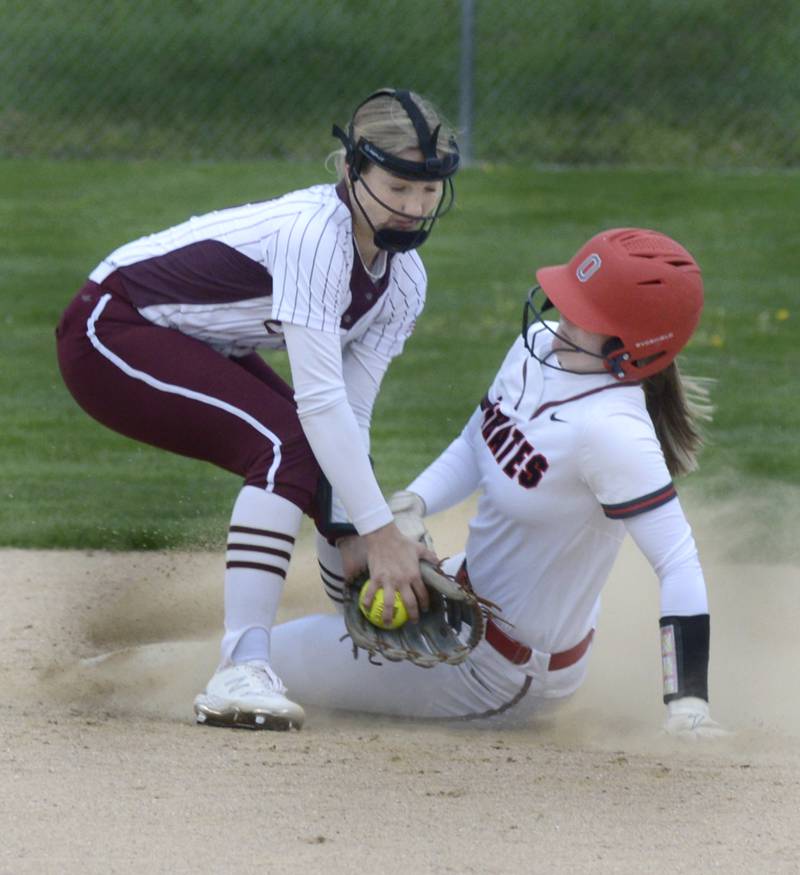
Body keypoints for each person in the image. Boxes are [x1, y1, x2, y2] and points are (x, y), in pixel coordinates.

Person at [55, 88, 459, 731]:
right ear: (353, 170)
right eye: (399, 185)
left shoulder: (404, 282)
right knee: (285, 446)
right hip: (110, 328)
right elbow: (319, 402)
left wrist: (362, 535)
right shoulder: (314, 239)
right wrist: (380, 532)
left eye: (429, 189)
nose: (414, 207)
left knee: (321, 461)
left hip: (188, 338)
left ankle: (352, 634)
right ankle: (239, 669)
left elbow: (350, 416)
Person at [269, 227, 727, 738]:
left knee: (265, 658)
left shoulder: (614, 433)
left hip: (499, 672)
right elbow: (475, 442)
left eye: (583, 320)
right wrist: (412, 502)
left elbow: (678, 562)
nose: (559, 325)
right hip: (463, 595)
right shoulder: (538, 349)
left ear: (631, 348)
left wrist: (687, 702)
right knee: (346, 525)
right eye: (567, 303)